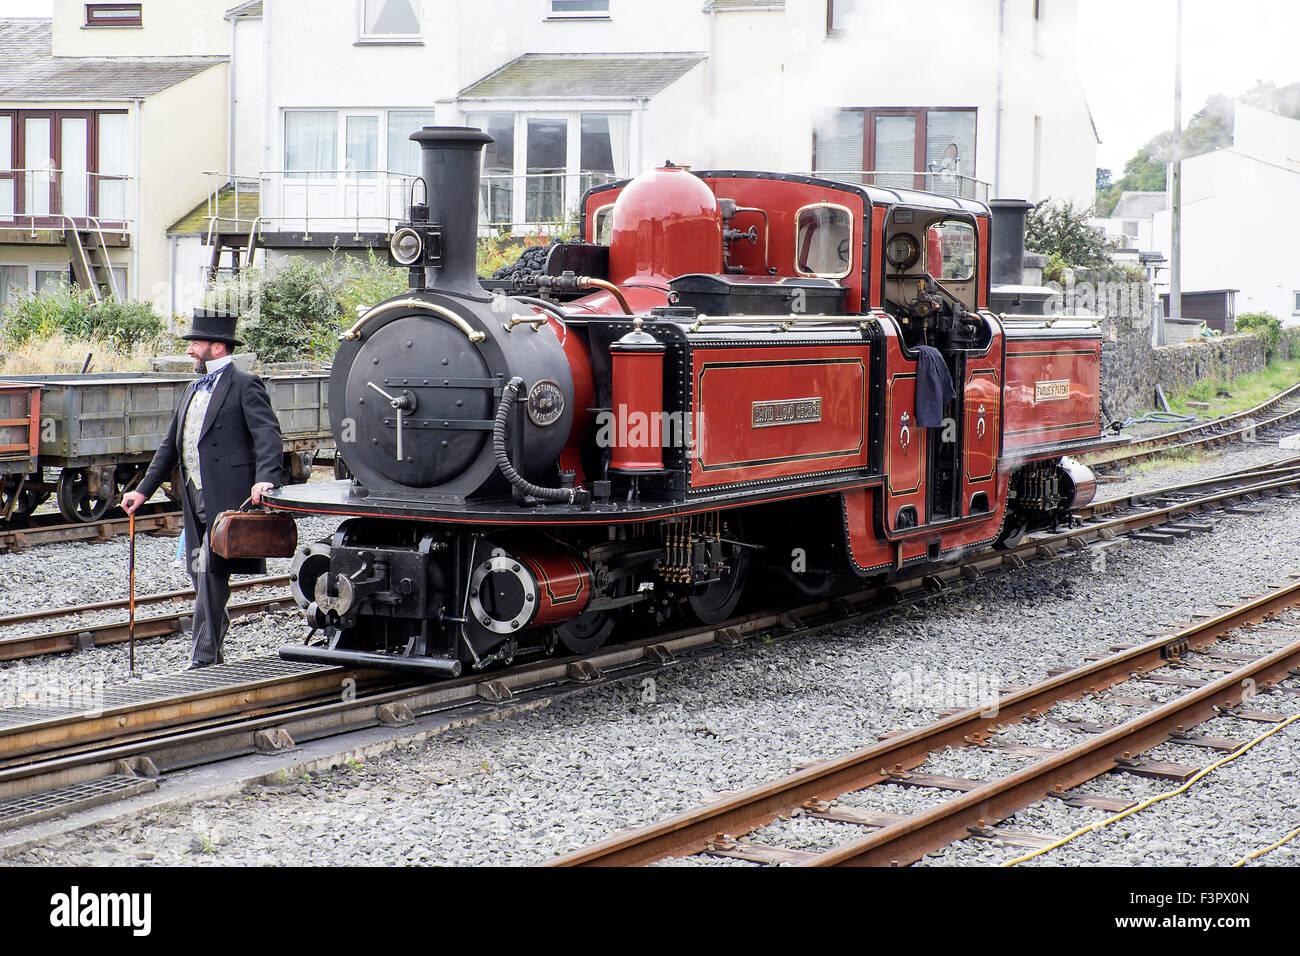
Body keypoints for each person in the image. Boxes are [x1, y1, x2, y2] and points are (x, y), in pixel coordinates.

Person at [123, 309, 283, 669]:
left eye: (196, 343)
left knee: (211, 571)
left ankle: (204, 657)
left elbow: (268, 436)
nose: (190, 350)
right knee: (200, 571)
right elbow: (171, 445)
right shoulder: (193, 387)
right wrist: (143, 491)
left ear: (218, 346)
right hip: (194, 494)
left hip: (230, 497)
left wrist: (266, 478)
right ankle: (211, 646)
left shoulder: (245, 383)